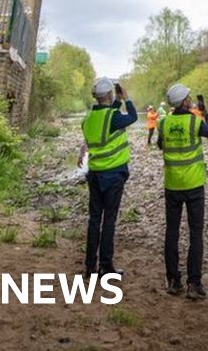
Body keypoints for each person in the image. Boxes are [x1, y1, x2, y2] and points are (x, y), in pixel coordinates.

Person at [157, 83, 208, 299]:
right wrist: (206, 112)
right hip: (194, 184)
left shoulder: (164, 123)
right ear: (183, 101)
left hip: (172, 183)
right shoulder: (194, 121)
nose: (191, 99)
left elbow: (161, 145)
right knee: (195, 233)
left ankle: (173, 280)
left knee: (171, 232)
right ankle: (193, 283)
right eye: (188, 97)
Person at [78, 78, 136, 277]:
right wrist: (126, 99)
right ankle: (106, 265)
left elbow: (108, 117)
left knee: (94, 219)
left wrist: (116, 101)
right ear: (110, 95)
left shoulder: (87, 119)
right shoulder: (113, 116)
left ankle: (90, 266)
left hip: (94, 174)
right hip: (113, 175)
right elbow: (132, 117)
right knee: (109, 220)